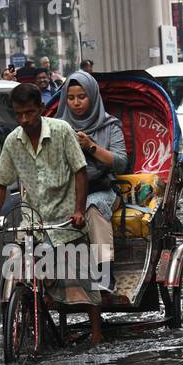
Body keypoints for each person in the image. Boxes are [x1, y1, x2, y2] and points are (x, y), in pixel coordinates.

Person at [0, 83, 104, 343]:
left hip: (65, 220)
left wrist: (79, 210)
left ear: (41, 108)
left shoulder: (62, 131)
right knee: (20, 272)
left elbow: (79, 171)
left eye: (29, 113)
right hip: (33, 221)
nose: (25, 120)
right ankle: (29, 316)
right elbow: (0, 181)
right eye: (19, 114)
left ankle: (96, 332)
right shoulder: (13, 141)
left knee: (85, 279)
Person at [55, 70, 127, 292]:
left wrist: (90, 146)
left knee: (93, 207)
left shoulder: (109, 125)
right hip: (68, 191)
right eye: (71, 97)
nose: (76, 103)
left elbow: (121, 162)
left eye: (82, 97)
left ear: (93, 97)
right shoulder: (57, 127)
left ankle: (105, 273)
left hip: (102, 190)